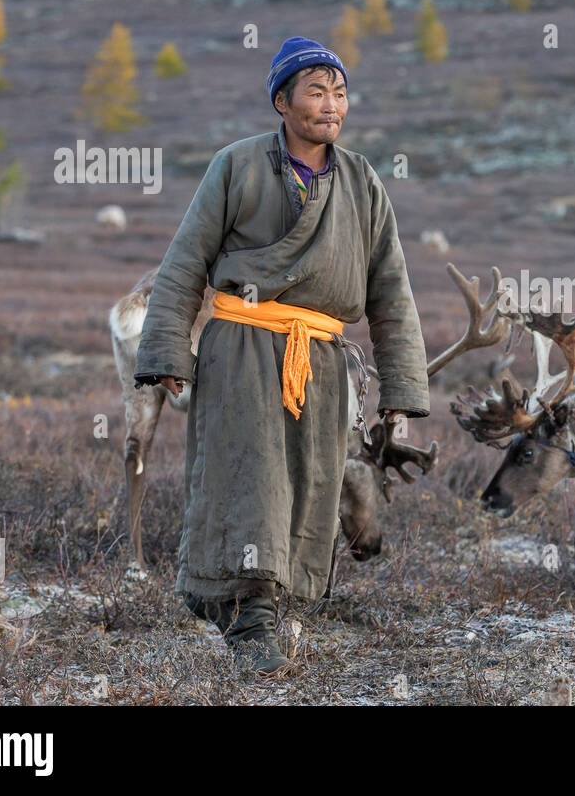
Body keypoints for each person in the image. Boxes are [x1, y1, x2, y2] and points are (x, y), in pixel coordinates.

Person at [134, 36, 431, 674]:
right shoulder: (235, 166)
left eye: (340, 92)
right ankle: (250, 616)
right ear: (282, 102)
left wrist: (401, 394)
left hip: (321, 359)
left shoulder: (362, 183)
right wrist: (166, 351)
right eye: (316, 92)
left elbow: (391, 292)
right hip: (241, 344)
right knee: (251, 474)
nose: (331, 105)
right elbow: (185, 261)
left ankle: (272, 598)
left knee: (311, 483)